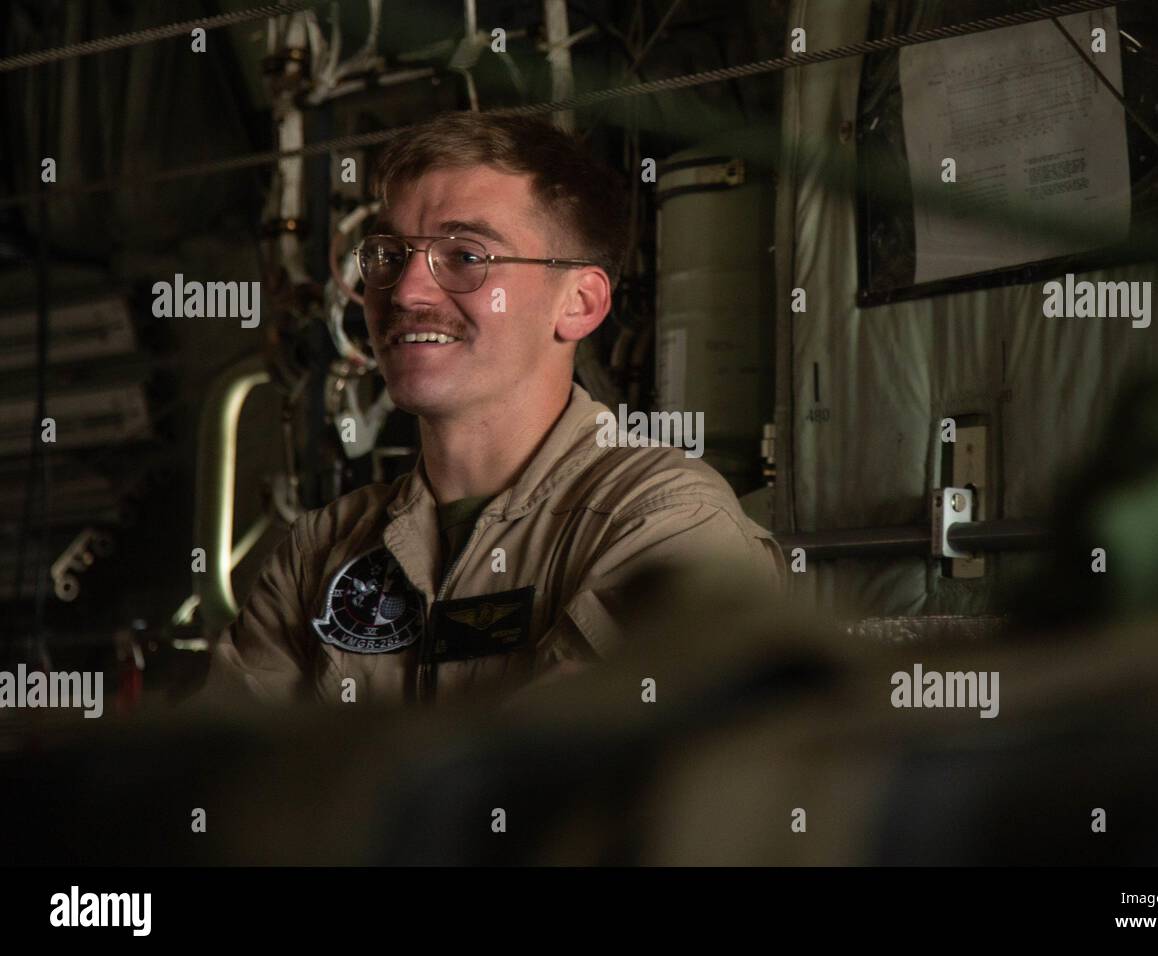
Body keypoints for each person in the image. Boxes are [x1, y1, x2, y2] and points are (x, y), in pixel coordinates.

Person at [199, 111, 785, 709]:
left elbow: (550, 777)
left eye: (466, 256)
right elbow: (215, 780)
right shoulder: (321, 551)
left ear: (580, 303)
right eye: (389, 254)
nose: (405, 291)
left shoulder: (664, 524)